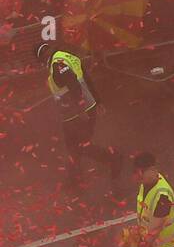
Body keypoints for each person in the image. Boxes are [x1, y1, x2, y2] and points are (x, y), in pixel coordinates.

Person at [35, 42, 124, 194]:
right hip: (76, 113)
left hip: (77, 114)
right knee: (73, 146)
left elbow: (74, 85)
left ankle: (112, 159)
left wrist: (80, 109)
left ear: (42, 58)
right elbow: (86, 78)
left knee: (81, 146)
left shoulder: (57, 65)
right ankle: (75, 178)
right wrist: (97, 100)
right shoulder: (67, 57)